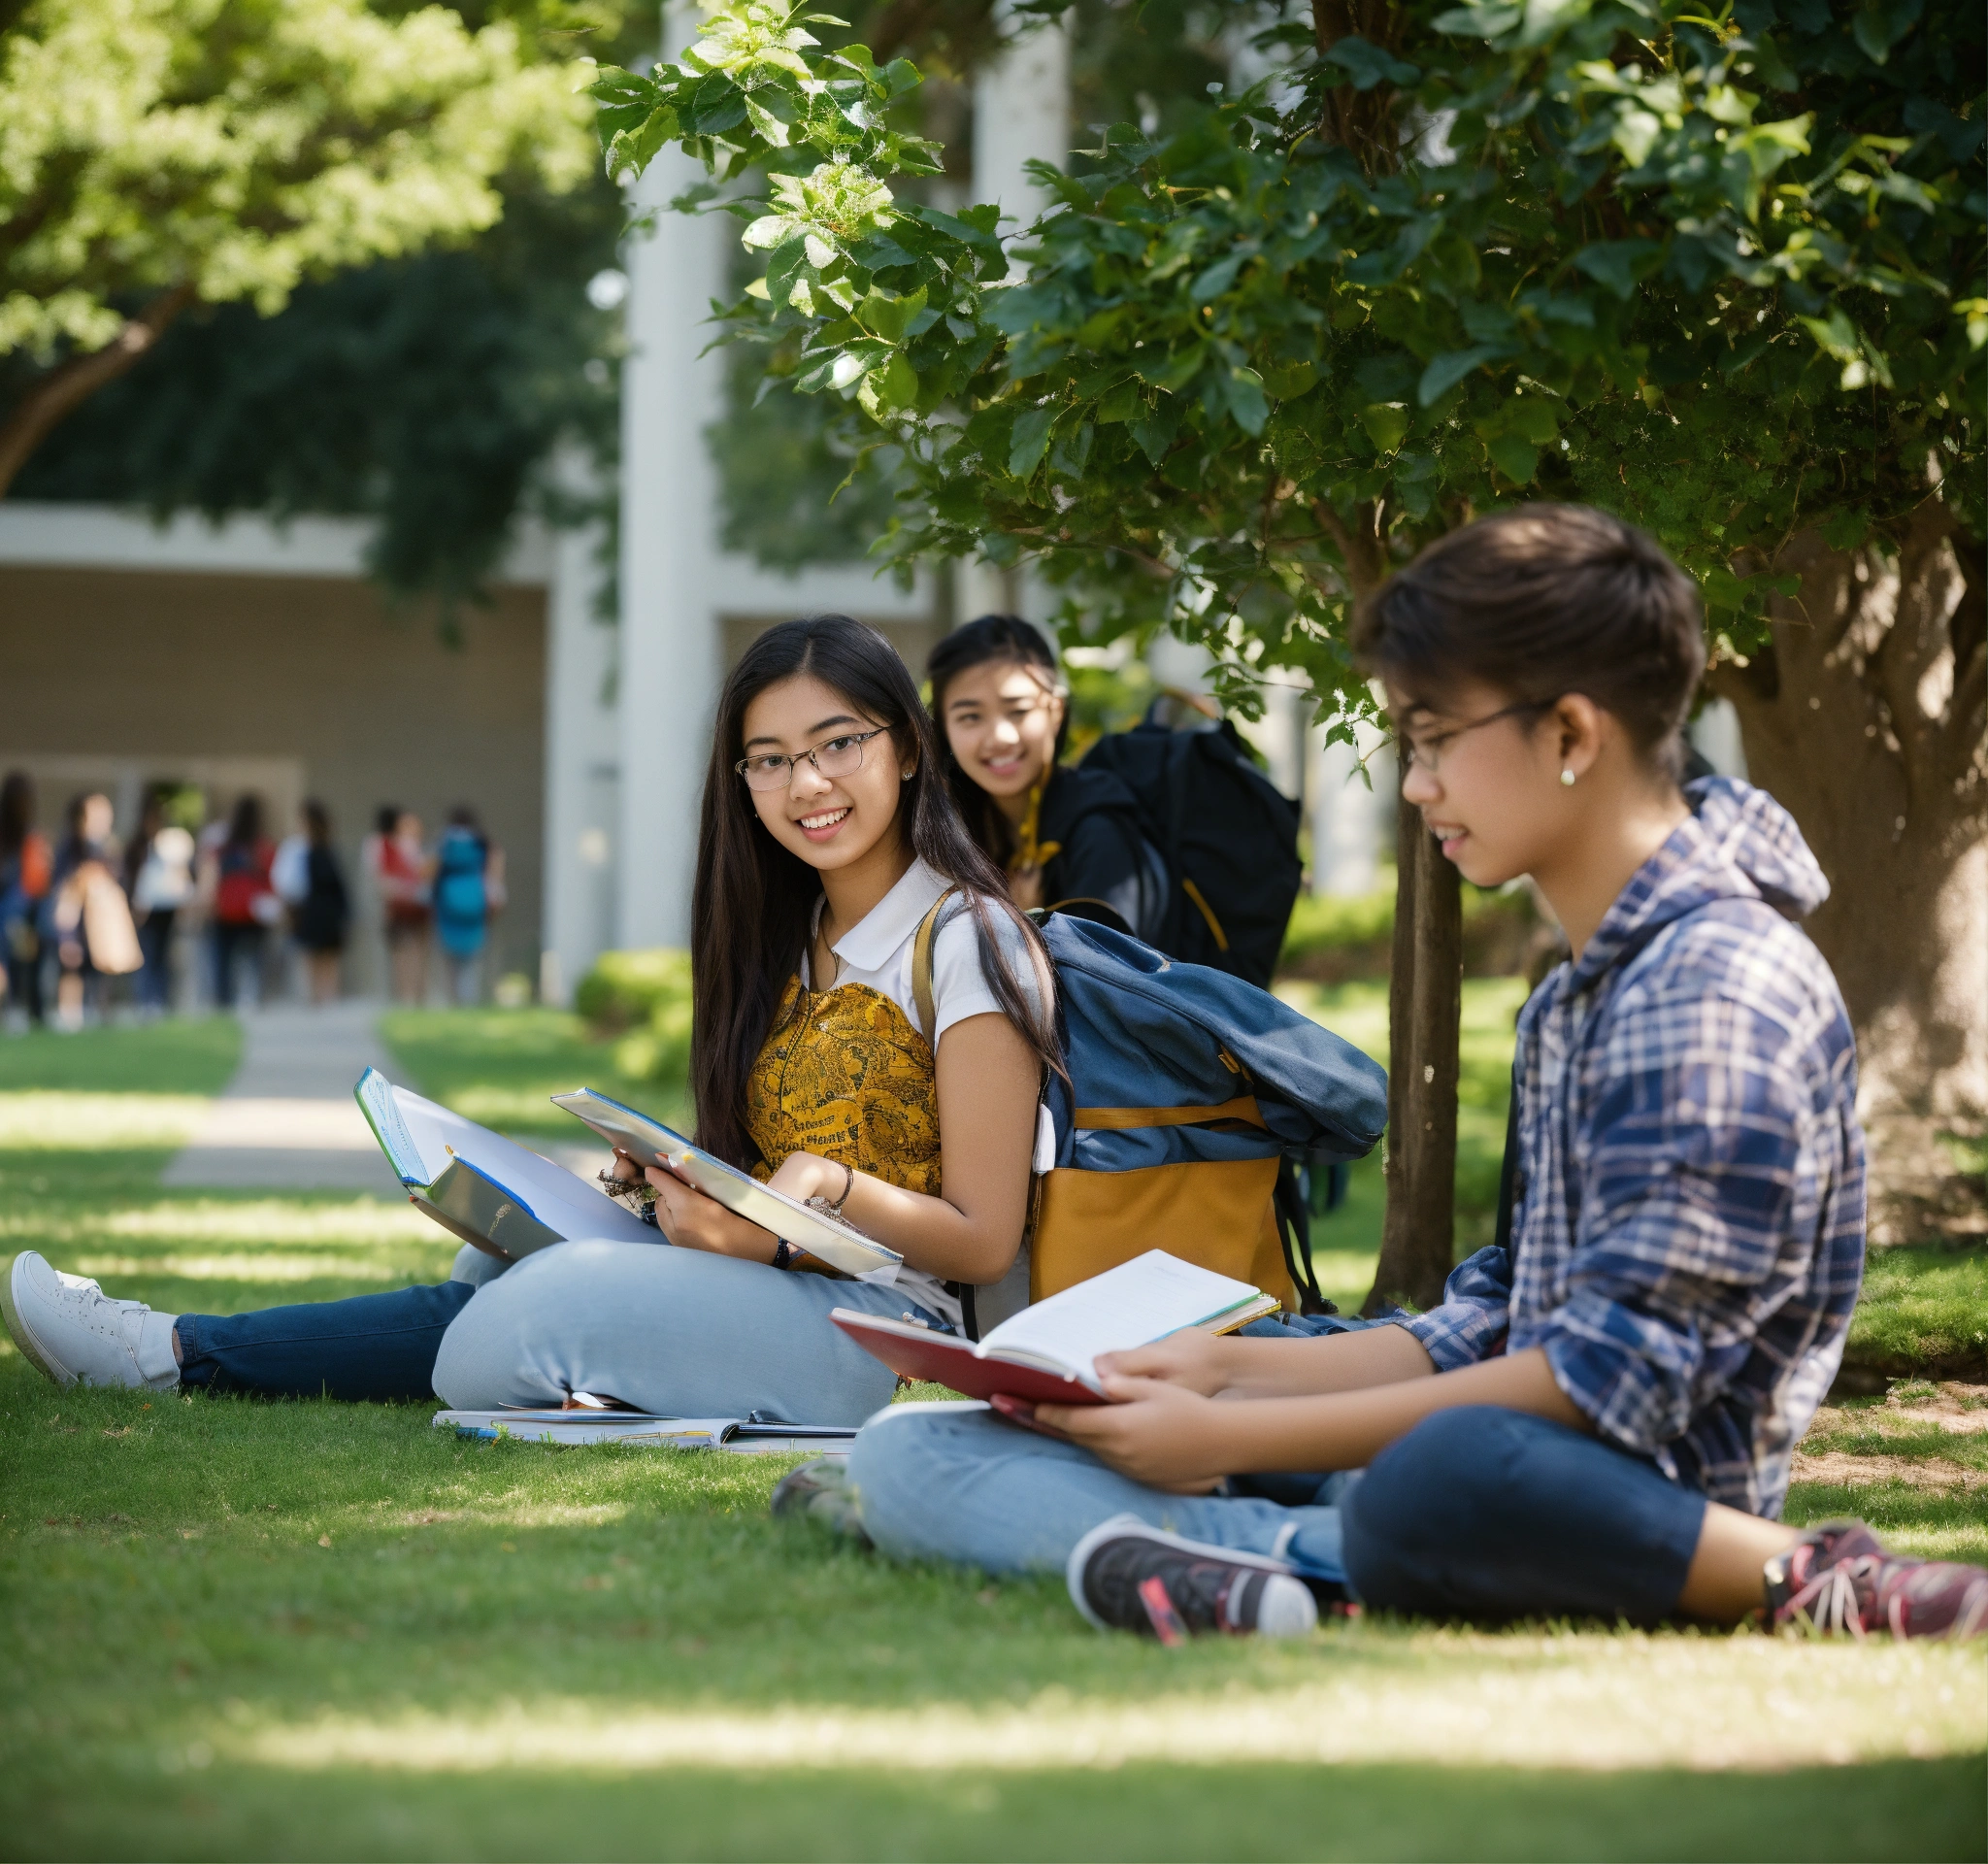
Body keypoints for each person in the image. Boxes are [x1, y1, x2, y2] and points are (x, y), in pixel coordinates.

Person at [844, 505, 1988, 1644]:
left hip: (1589, 1506)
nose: (1415, 784)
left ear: (1570, 735)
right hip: (1463, 1467)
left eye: (1434, 738)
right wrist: (1230, 1379)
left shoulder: (1708, 988)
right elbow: (1500, 1312)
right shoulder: (1579, 989)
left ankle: (1237, 1550)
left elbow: (1608, 1385)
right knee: (917, 1445)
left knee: (1434, 1470)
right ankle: (1264, 1566)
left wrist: (1235, 1437)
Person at [1, 616, 1060, 1428]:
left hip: (892, 1340)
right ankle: (169, 1352)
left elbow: (980, 1239)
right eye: (770, 759)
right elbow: (775, 1179)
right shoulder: (784, 945)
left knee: (514, 1317)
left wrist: (807, 1205)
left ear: (908, 749)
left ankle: (160, 1353)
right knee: (492, 1267)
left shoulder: (966, 940)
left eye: (838, 744)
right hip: (790, 1288)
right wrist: (685, 1184)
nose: (807, 783)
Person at [928, 616, 1167, 943]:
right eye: (970, 716)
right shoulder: (953, 829)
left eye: (1019, 711)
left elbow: (1104, 981)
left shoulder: (1099, 832)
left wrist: (1027, 922)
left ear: (1055, 712)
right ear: (944, 728)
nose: (999, 736)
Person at [44, 793, 135, 1030]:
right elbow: (61, 886)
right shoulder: (72, 847)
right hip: (76, 918)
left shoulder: (109, 847)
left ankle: (99, 1011)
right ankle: (70, 1014)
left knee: (102, 970)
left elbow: (121, 881)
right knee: (72, 965)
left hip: (103, 921)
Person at [125, 792, 196, 1016]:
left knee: (163, 954)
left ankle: (160, 1000)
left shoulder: (168, 845)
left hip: (166, 906)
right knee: (147, 952)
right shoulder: (137, 846)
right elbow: (131, 877)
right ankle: (145, 1000)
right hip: (145, 908)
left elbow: (181, 876)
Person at [208, 795, 278, 1010]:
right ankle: (255, 999)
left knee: (224, 963)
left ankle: (224, 1003)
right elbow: (273, 879)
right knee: (255, 960)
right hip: (253, 912)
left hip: (225, 911)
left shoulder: (223, 847)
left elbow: (211, 878)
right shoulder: (263, 847)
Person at [431, 806, 504, 1006]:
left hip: (447, 905)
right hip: (475, 905)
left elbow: (431, 872)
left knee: (448, 957)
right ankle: (468, 999)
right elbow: (493, 876)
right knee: (471, 958)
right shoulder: (482, 843)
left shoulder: (444, 842)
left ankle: (451, 999)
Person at [283, 800, 350, 1005]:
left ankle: (327, 997)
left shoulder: (324, 850)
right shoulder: (298, 849)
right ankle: (315, 998)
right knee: (312, 954)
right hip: (310, 908)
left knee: (326, 955)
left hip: (323, 908)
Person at [0, 771, 50, 1029]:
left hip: (29, 906)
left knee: (25, 960)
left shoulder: (31, 837)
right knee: (10, 960)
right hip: (12, 907)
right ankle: (13, 1009)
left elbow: (39, 877)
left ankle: (24, 1009)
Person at [375, 809, 432, 1005]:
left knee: (420, 952)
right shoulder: (390, 850)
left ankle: (419, 994)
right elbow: (383, 879)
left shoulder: (421, 851)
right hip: (400, 909)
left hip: (421, 910)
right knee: (402, 953)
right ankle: (405, 995)